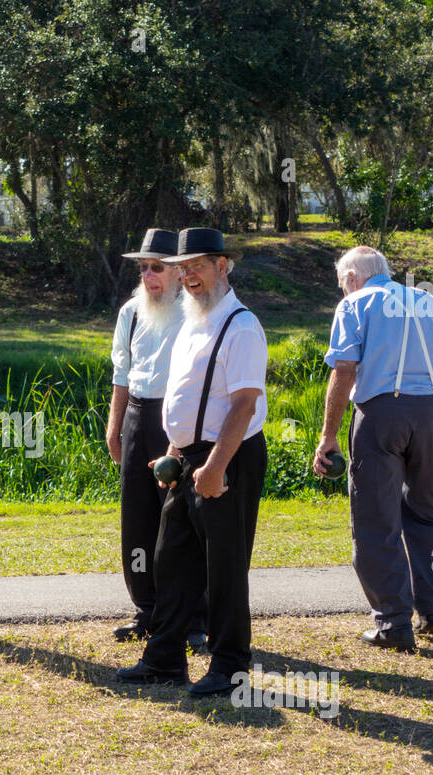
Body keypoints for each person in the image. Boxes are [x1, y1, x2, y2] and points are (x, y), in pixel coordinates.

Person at [117, 228, 268, 696]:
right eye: (183, 269)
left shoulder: (241, 325)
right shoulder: (194, 321)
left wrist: (216, 467)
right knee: (170, 561)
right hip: (186, 460)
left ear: (222, 266)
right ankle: (164, 659)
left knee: (223, 567)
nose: (189, 277)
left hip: (228, 458)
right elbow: (185, 399)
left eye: (197, 266)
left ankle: (229, 667)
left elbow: (243, 404)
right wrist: (173, 453)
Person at [311, 245, 433, 652]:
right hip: (431, 415)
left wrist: (328, 437)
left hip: (381, 413)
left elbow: (344, 371)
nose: (342, 292)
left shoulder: (354, 306)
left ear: (351, 279)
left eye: (341, 285)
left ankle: (393, 621)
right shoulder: (427, 302)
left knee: (375, 519)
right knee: (425, 510)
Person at [106, 227, 206, 653]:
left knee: (182, 519)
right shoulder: (131, 312)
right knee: (138, 520)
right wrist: (115, 428)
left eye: (158, 268)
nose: (149, 276)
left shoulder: (195, 313)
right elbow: (122, 375)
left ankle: (193, 617)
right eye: (144, 268)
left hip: (178, 421)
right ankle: (147, 610)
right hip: (137, 417)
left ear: (178, 272)